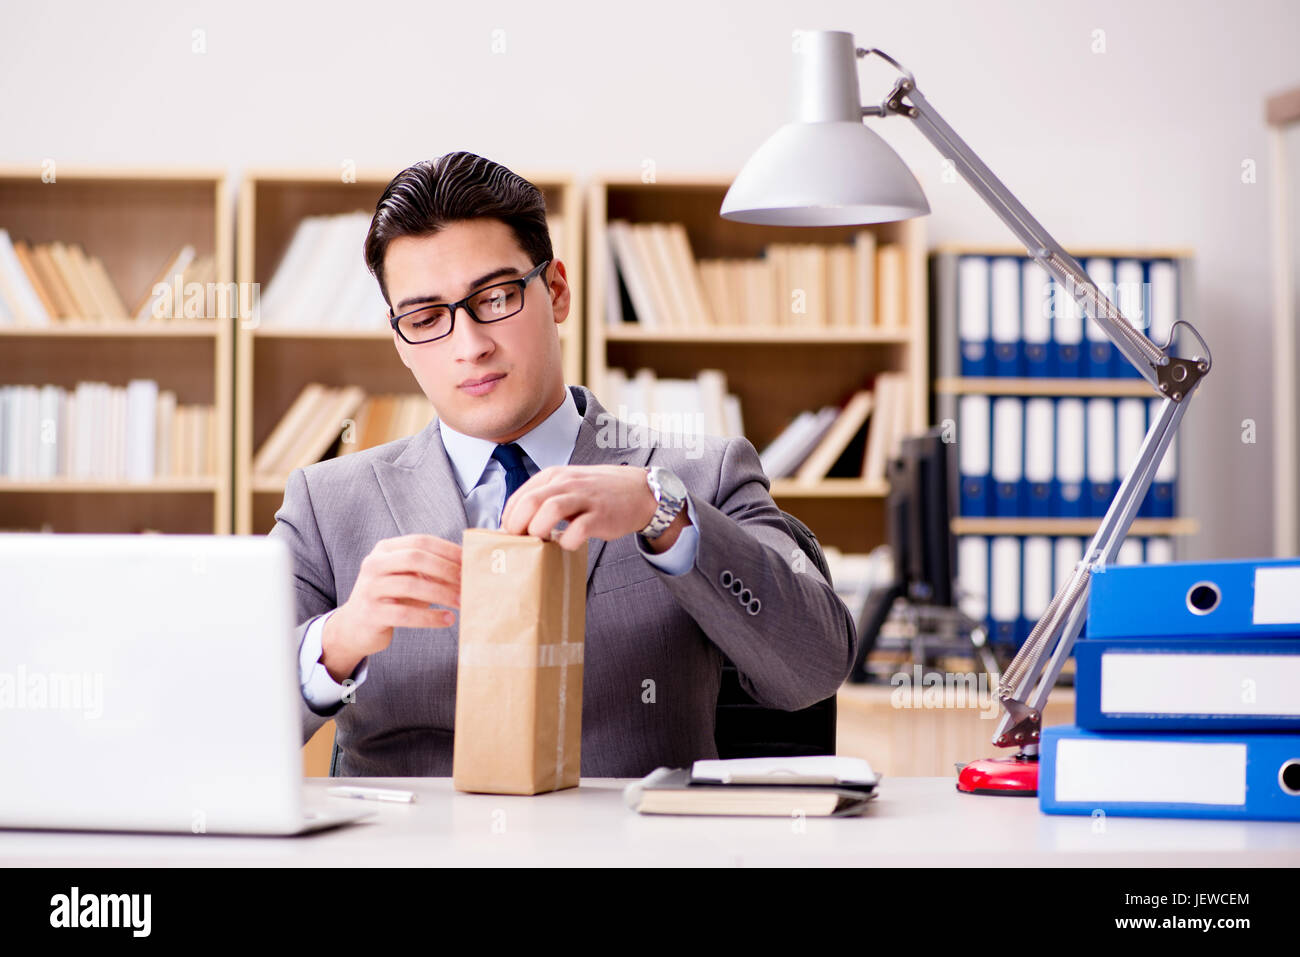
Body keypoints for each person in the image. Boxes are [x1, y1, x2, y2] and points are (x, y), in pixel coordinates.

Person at [270, 150, 859, 776]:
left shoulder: (702, 473)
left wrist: (661, 510)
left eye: (495, 298)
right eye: (426, 318)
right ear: (400, 341)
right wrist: (335, 643)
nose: (469, 346)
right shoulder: (326, 503)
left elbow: (814, 667)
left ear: (555, 291)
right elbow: (221, 721)